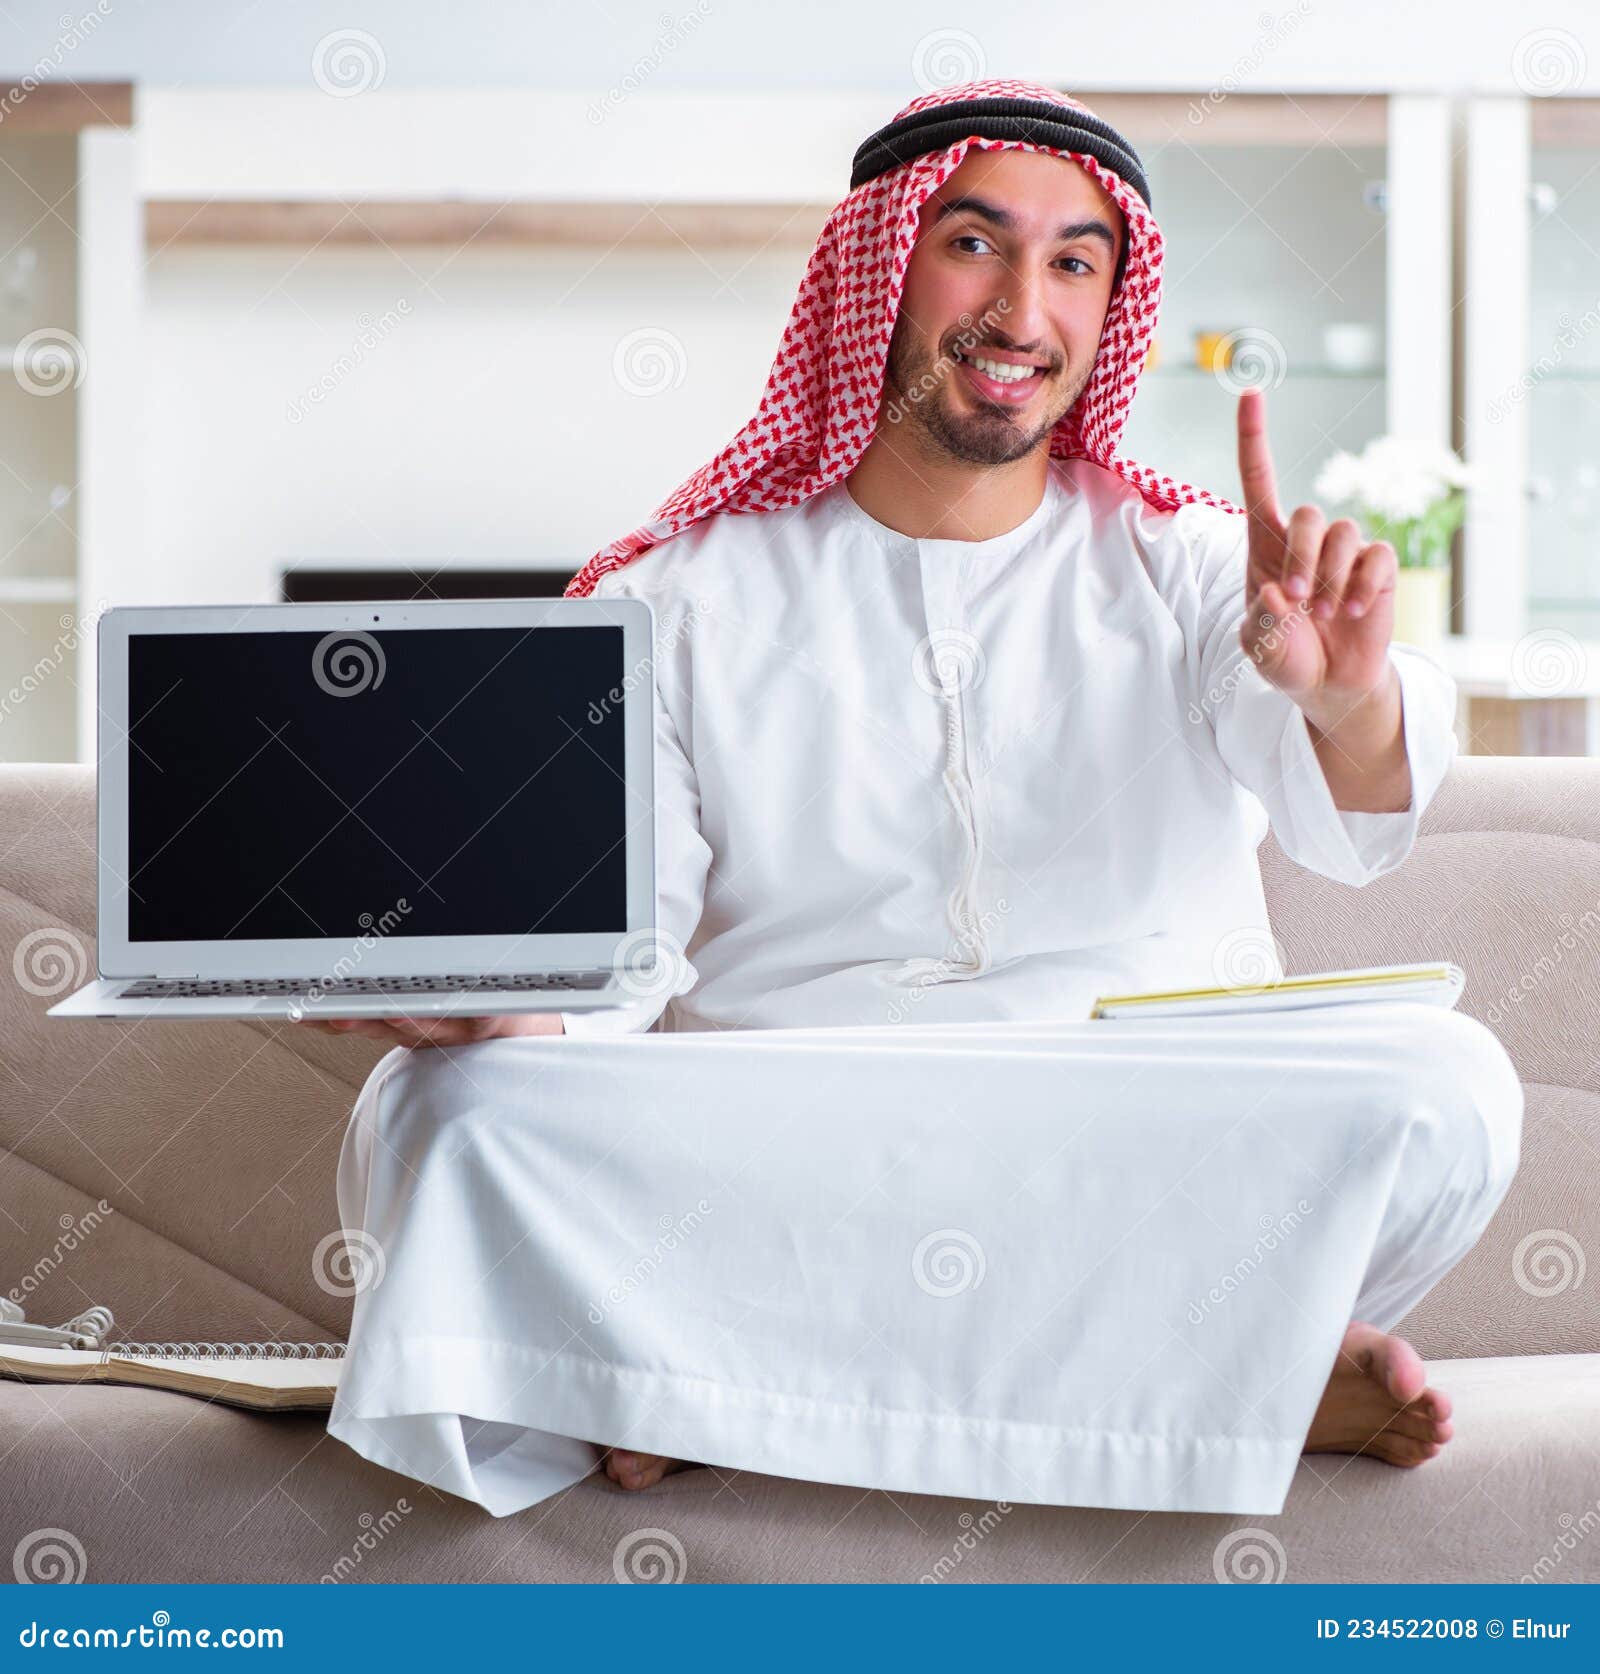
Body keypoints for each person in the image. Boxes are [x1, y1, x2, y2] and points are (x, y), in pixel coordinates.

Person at [307, 80, 1521, 1516]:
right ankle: (1223, 1377)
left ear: (1111, 306)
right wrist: (511, 1008)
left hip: (1131, 1121)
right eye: (975, 243)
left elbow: (1354, 811)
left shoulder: (1191, 566)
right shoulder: (678, 598)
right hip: (800, 1131)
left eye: (1075, 263)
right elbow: (621, 944)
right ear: (877, 270)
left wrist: (1345, 695)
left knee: (1445, 1086)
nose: (1023, 308)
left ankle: (742, 1388)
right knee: (442, 1112)